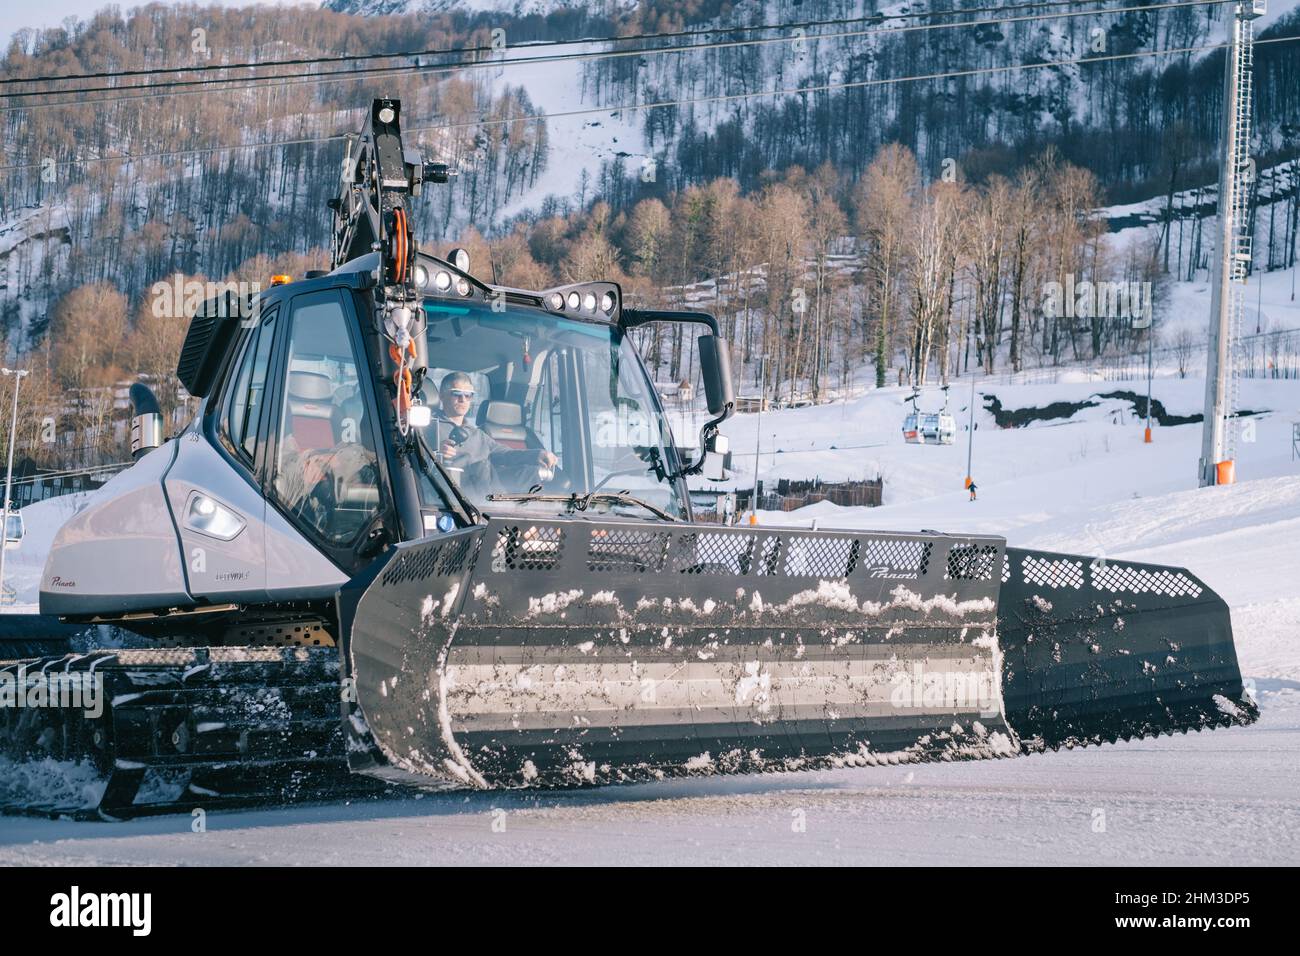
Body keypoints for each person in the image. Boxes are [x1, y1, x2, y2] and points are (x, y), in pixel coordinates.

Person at [434, 371, 557, 494]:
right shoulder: (428, 428)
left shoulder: (478, 435)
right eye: (456, 393)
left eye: (468, 395)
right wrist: (435, 453)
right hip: (453, 497)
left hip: (491, 499)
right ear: (442, 396)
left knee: (529, 472)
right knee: (481, 467)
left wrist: (536, 455)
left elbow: (506, 454)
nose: (463, 399)